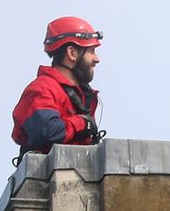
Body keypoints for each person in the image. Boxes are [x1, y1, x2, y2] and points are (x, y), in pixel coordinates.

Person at [12, 17, 103, 155]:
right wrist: (82, 123)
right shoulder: (42, 89)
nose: (97, 59)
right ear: (72, 53)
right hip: (48, 169)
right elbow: (47, 132)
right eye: (91, 51)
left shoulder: (83, 96)